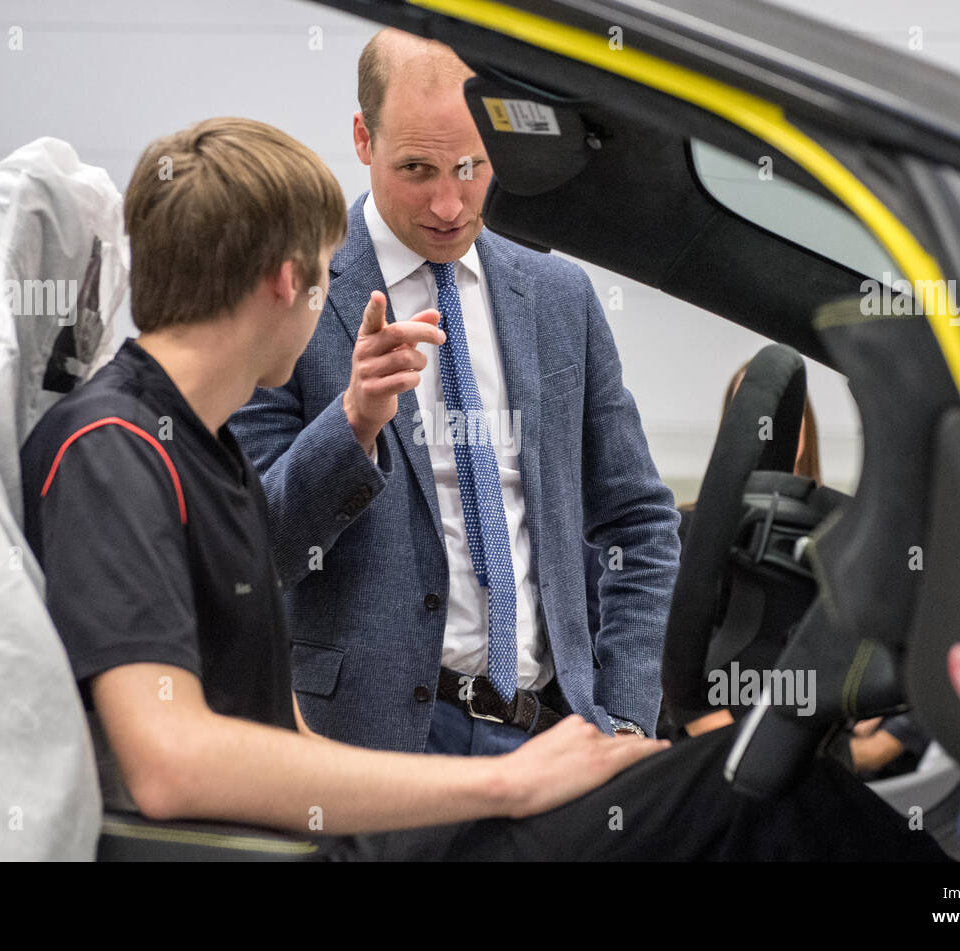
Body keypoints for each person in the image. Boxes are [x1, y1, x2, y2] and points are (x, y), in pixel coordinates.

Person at [21, 114, 947, 861]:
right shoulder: (111, 447)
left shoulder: (198, 449)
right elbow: (170, 765)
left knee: (752, 782)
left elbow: (288, 734)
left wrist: (561, 755)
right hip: (322, 838)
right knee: (755, 796)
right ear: (288, 281)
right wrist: (502, 786)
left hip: (378, 824)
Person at [228, 29, 681, 755]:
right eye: (417, 168)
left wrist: (624, 716)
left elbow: (639, 524)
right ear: (361, 138)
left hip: (550, 735)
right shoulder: (290, 292)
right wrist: (352, 425)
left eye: (472, 166)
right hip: (366, 747)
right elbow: (251, 551)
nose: (448, 203)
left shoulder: (560, 297)